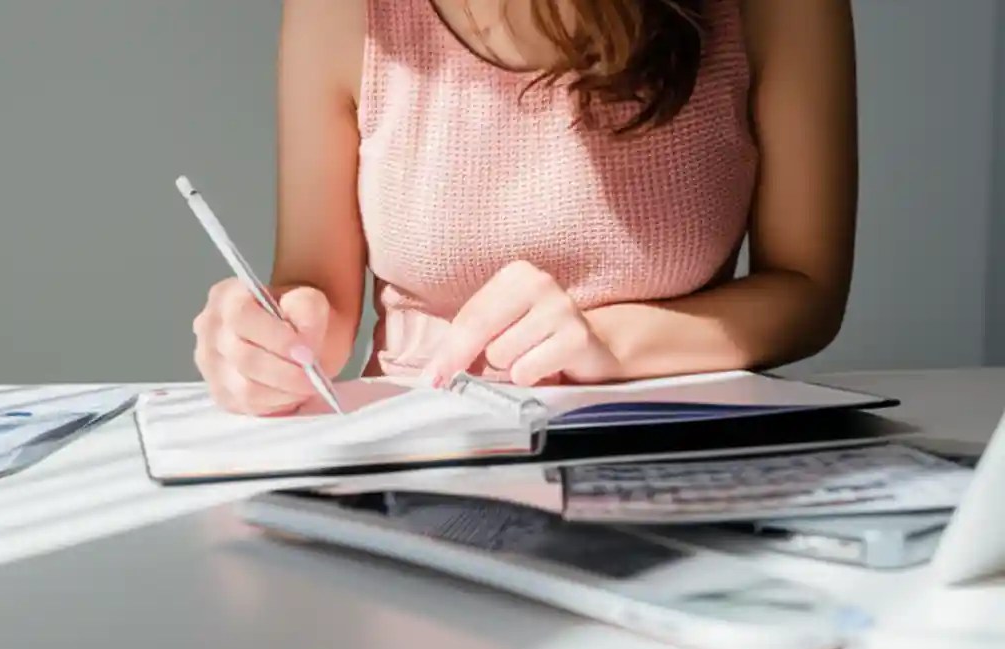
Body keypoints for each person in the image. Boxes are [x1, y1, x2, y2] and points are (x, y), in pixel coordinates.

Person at [193, 0, 857, 416]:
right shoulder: (342, 11)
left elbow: (808, 292)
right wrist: (274, 336)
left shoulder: (774, 10)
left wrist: (612, 343)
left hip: (664, 461)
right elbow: (318, 292)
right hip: (416, 465)